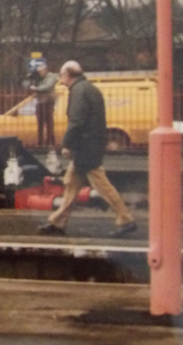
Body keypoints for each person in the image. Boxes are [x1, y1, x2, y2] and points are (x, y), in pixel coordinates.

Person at [38, 61, 136, 237]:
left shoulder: (79, 91)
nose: (60, 79)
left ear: (68, 75)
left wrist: (67, 143)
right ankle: (58, 222)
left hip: (86, 147)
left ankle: (126, 220)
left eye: (61, 75)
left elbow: (77, 121)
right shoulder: (88, 88)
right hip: (90, 144)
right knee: (71, 184)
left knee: (102, 185)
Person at [25, 58, 59, 147]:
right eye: (38, 71)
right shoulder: (37, 78)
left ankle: (50, 142)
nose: (40, 73)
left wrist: (36, 88)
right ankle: (40, 142)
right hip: (40, 102)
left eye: (41, 71)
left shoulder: (51, 76)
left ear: (45, 69)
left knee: (49, 124)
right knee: (40, 125)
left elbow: (48, 86)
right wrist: (31, 78)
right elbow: (27, 85)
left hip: (48, 102)